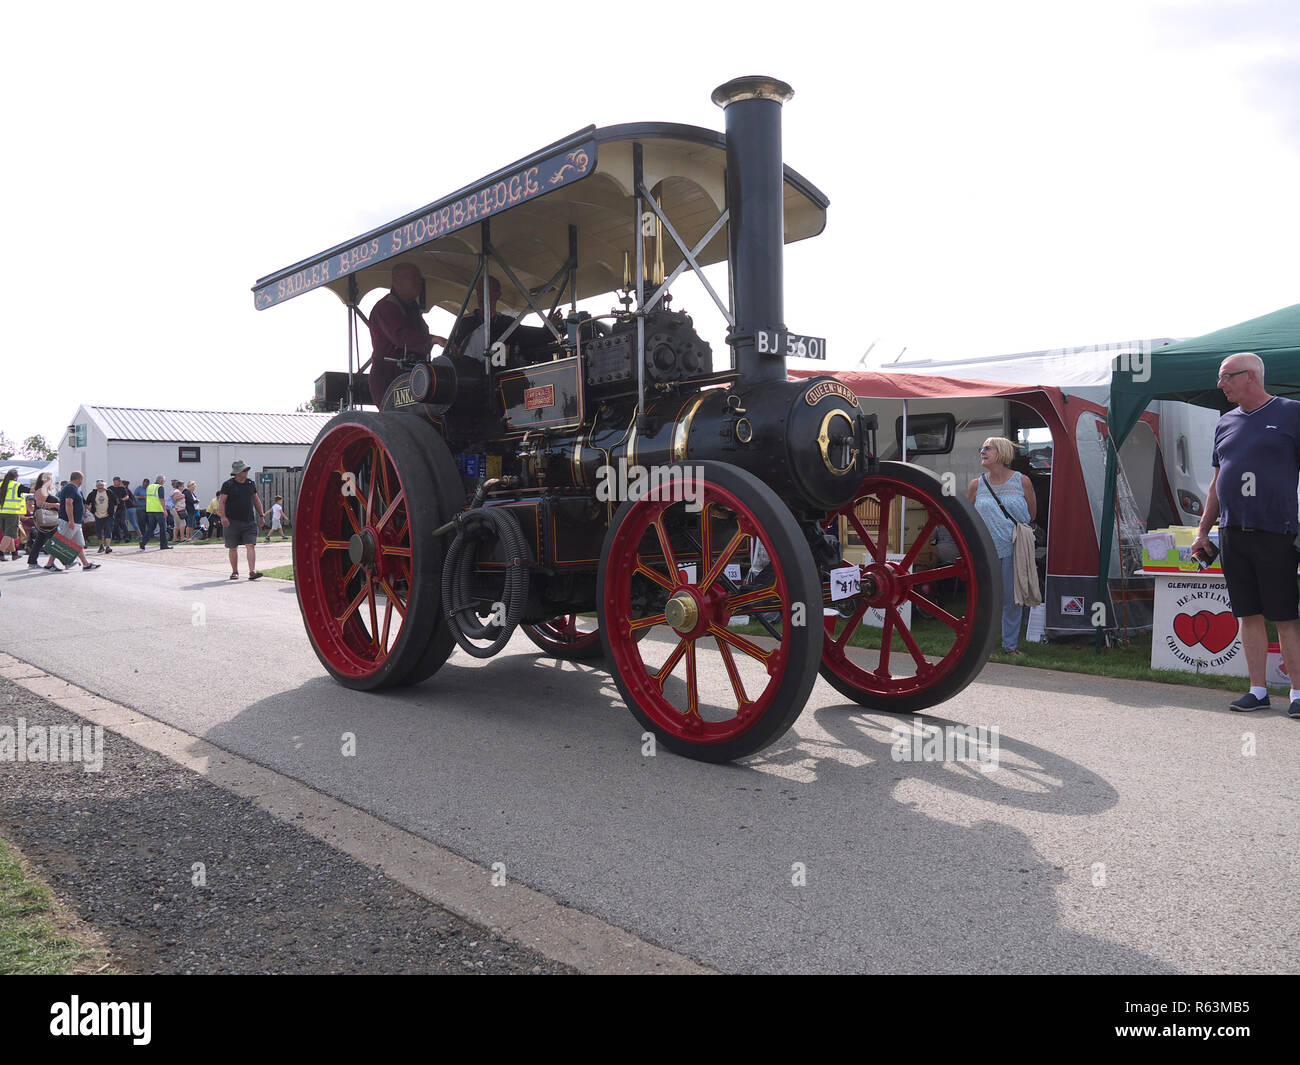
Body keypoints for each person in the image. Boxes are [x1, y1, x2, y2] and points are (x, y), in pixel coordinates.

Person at [1190, 352, 1300, 718]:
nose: (1220, 385)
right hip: (1233, 533)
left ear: (1251, 376)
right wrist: (1203, 530)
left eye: (1226, 377)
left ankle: (1298, 693)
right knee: (1247, 614)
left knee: (1285, 616)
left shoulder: (1291, 412)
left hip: (1277, 531)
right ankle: (1257, 690)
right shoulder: (1225, 423)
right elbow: (1217, 483)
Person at [967, 436, 1036, 655]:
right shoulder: (976, 485)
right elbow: (968, 518)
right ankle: (981, 645)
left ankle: (1009, 646)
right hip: (985, 550)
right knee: (984, 598)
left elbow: (1032, 514)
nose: (982, 451)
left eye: (988, 448)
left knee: (1011, 598)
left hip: (1014, 548)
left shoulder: (1021, 481)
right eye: (982, 447)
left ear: (1002, 452)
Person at [367, 261, 447, 407]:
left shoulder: (412, 308)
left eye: (419, 279)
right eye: (414, 278)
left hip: (408, 375)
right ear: (397, 280)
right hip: (389, 378)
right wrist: (432, 340)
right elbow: (400, 336)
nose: (419, 283)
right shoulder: (386, 306)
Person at [218, 459, 265, 580]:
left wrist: (261, 515)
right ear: (238, 472)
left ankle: (252, 571)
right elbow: (222, 502)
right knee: (233, 547)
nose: (247, 472)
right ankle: (235, 571)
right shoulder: (228, 485)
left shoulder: (250, 484)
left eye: (247, 469)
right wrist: (223, 517)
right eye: (244, 470)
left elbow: (256, 500)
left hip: (249, 520)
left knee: (251, 545)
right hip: (232, 521)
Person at [57, 472, 100, 571]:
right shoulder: (70, 488)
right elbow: (68, 504)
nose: (82, 482)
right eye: (82, 480)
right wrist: (71, 521)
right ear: (79, 479)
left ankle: (86, 564)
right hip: (68, 521)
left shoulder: (74, 489)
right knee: (62, 542)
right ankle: (50, 564)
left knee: (79, 544)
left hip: (76, 522)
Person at [25, 472, 61, 569]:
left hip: (45, 519)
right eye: (50, 478)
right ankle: (63, 561)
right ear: (45, 480)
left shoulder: (44, 490)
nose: (51, 480)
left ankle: (32, 562)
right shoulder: (42, 490)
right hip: (45, 519)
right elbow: (40, 504)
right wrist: (55, 505)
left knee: (40, 540)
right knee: (56, 539)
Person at [139, 474, 171, 550]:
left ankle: (143, 542)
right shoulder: (160, 487)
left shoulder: (149, 487)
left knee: (151, 527)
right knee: (163, 528)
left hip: (150, 510)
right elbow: (162, 499)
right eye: (164, 481)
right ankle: (163, 545)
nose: (164, 482)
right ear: (161, 481)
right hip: (159, 510)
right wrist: (165, 510)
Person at [0, 469, 23, 561]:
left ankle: (14, 553)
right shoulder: (16, 485)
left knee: (8, 534)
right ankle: (1, 552)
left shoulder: (1, 484)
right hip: (12, 513)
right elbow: (31, 490)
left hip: (1, 512)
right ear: (16, 477)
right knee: (9, 534)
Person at [88, 478, 114, 553]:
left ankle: (108, 547)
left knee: (108, 530)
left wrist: (113, 510)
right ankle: (101, 546)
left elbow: (115, 502)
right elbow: (86, 502)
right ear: (96, 486)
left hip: (108, 515)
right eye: (99, 485)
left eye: (102, 485)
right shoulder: (93, 493)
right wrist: (91, 510)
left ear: (104, 485)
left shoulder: (109, 492)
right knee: (99, 531)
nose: (100, 487)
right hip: (97, 515)